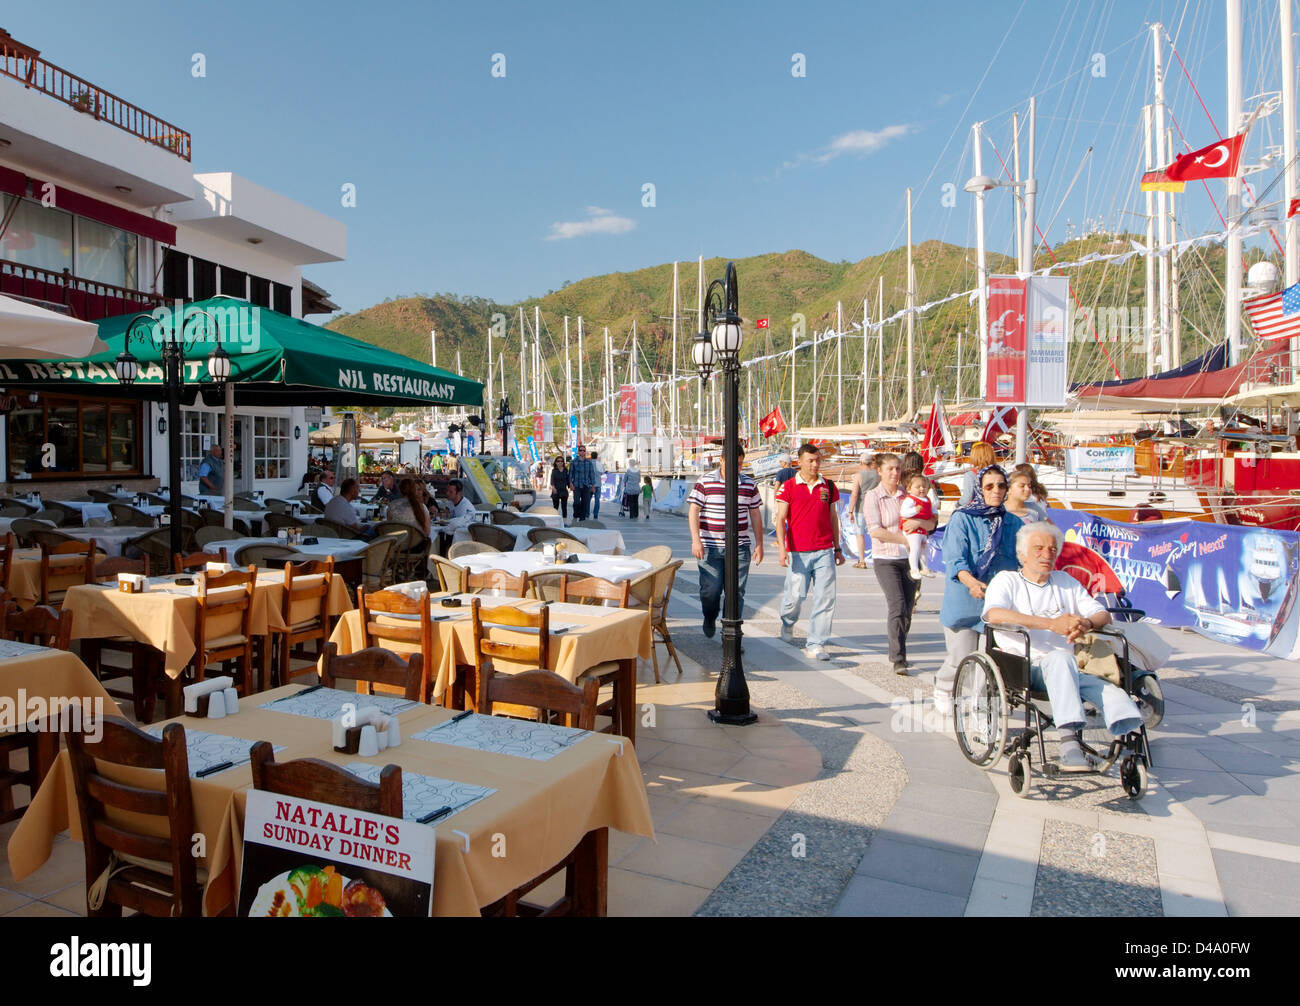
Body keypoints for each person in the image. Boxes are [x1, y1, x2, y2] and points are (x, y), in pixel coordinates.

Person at [983, 521, 1143, 769]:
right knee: (1060, 659)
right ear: (1022, 553)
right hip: (1026, 666)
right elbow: (994, 614)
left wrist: (1086, 623)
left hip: (1072, 667)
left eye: (1052, 549)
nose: (1046, 555)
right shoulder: (1007, 580)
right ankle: (1069, 744)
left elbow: (1102, 614)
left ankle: (1127, 741)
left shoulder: (1065, 581)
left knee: (1110, 691)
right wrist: (1050, 624)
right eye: (1038, 548)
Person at [935, 464, 1023, 716]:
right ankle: (944, 689)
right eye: (989, 486)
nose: (996, 490)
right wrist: (971, 582)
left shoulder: (1013, 522)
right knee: (960, 657)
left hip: (996, 605)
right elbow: (955, 559)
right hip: (965, 600)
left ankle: (980, 704)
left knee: (991, 660)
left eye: (1001, 485)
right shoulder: (962, 518)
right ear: (979, 489)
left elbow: (1021, 558)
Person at [863, 453, 937, 674]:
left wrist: (919, 523)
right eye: (890, 469)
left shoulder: (910, 494)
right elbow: (875, 531)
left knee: (907, 608)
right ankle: (898, 657)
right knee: (896, 605)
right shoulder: (873, 496)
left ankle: (899, 647)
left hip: (909, 559)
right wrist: (906, 539)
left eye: (898, 469)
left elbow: (931, 521)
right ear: (880, 471)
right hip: (886, 558)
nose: (895, 473)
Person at [774, 443, 844, 660]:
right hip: (798, 551)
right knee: (795, 597)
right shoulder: (789, 487)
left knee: (825, 598)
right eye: (810, 461)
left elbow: (833, 518)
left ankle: (816, 642)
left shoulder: (828, 487)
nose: (815, 465)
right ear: (800, 461)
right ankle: (788, 622)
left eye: (817, 460)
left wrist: (837, 547)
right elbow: (780, 519)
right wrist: (782, 549)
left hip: (824, 550)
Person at [689, 445, 764, 639]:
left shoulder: (748, 484)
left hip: (739, 548)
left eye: (740, 465)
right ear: (721, 460)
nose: (736, 468)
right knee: (710, 591)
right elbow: (694, 511)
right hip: (710, 547)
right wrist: (696, 540)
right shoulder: (705, 481)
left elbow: (755, 514)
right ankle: (709, 615)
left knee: (736, 593)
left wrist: (759, 544)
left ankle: (731, 636)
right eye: (733, 464)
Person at [846, 454, 881, 570]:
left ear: (861, 462)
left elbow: (854, 494)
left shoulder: (858, 476)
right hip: (875, 508)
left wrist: (850, 510)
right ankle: (878, 559)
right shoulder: (878, 475)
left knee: (860, 535)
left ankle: (862, 560)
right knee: (875, 535)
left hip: (861, 508)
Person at [900, 473, 937, 579]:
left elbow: (932, 508)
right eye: (918, 487)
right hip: (912, 529)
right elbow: (904, 513)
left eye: (924, 486)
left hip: (923, 529)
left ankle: (925, 568)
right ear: (909, 489)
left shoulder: (927, 499)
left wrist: (935, 514)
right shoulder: (910, 499)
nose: (922, 489)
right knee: (915, 548)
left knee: (924, 548)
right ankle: (914, 569)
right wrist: (914, 510)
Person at [959, 442, 996, 506]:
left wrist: (958, 505)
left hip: (978, 510)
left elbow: (967, 498)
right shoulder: (998, 473)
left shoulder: (971, 475)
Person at [570, 448, 597, 521]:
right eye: (580, 450)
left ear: (585, 452)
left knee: (585, 503)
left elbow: (592, 474)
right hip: (577, 485)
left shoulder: (589, 462)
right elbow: (570, 474)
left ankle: (582, 519)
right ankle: (575, 516)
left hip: (586, 486)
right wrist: (570, 483)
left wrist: (593, 485)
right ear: (578, 452)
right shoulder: (573, 462)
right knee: (576, 502)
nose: (582, 452)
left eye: (583, 450)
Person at [591, 451, 606, 519]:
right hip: (598, 484)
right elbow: (602, 472)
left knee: (588, 500)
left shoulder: (589, 463)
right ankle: (595, 514)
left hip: (590, 484)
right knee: (597, 500)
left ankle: (587, 513)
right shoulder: (600, 463)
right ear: (597, 456)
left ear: (591, 456)